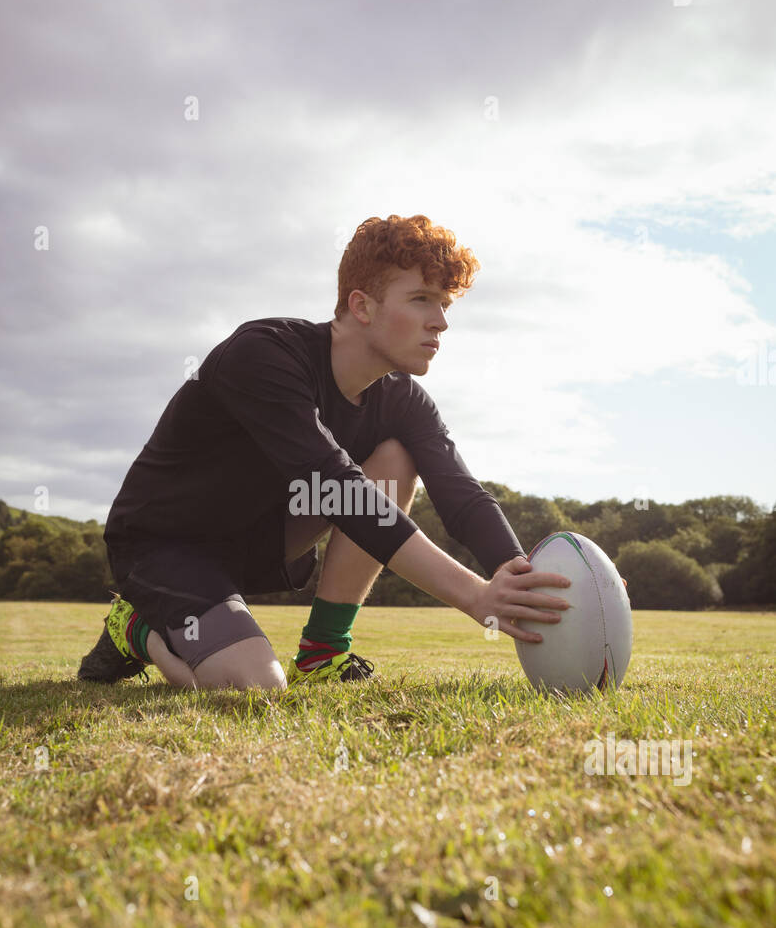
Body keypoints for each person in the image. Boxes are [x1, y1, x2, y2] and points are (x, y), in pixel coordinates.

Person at [78, 213, 569, 691]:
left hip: (261, 542)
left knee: (395, 456)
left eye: (444, 304)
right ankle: (138, 628)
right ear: (362, 306)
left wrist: (515, 573)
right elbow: (334, 486)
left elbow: (462, 494)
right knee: (254, 686)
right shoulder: (264, 353)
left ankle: (323, 652)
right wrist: (473, 596)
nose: (440, 322)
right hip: (164, 547)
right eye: (421, 299)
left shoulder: (403, 399)